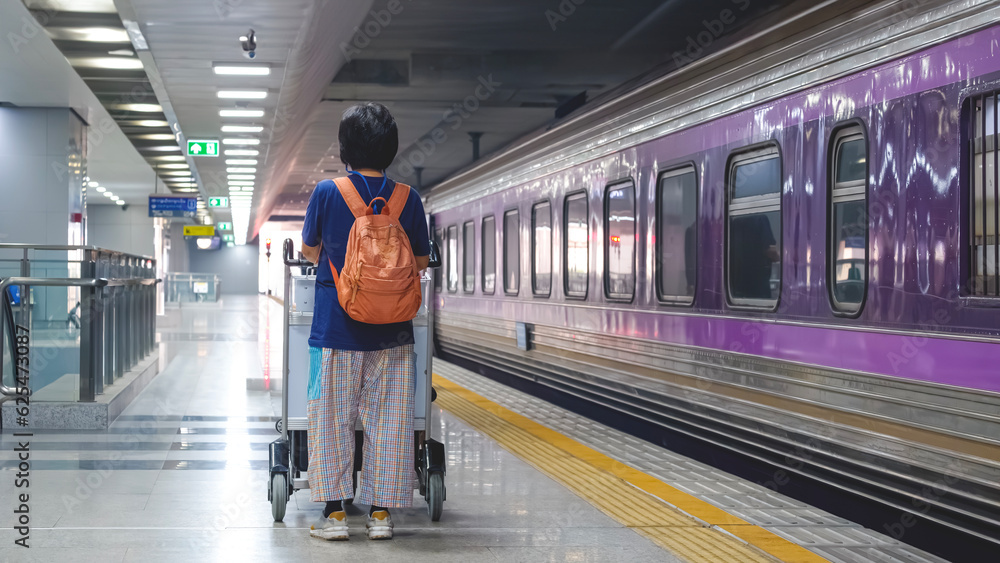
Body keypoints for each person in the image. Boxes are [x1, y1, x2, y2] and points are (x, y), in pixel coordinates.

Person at [300, 102, 430, 541]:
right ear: (391, 148)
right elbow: (421, 261)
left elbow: (311, 251)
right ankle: (380, 516)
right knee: (390, 423)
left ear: (344, 147)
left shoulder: (326, 192)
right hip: (394, 333)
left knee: (331, 420)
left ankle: (335, 516)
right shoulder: (407, 199)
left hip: (334, 332)